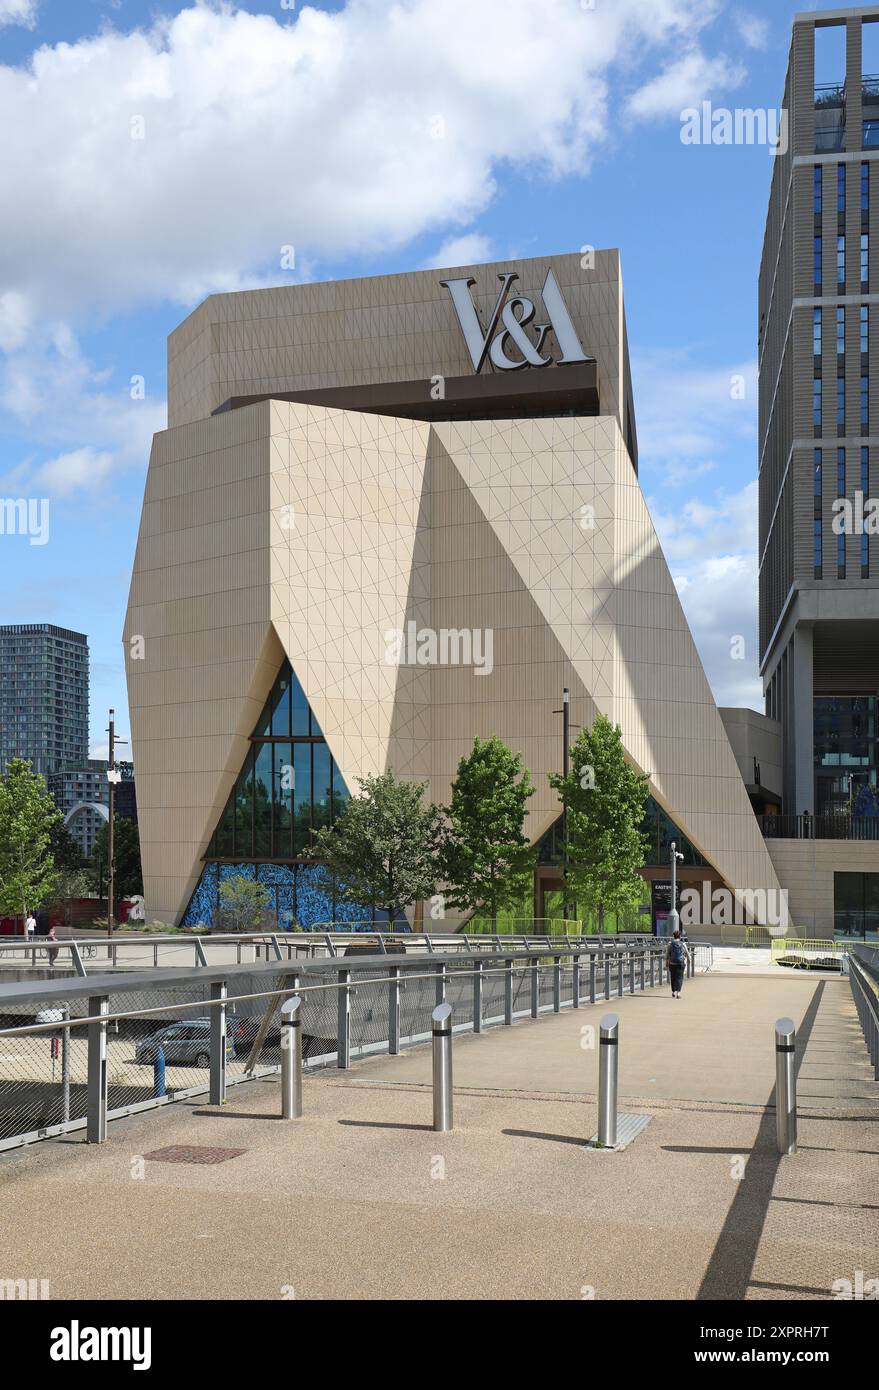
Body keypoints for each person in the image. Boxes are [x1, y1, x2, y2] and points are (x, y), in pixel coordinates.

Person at [666, 928, 688, 999]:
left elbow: (667, 954)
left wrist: (666, 962)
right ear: (680, 936)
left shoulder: (670, 944)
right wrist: (689, 960)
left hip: (672, 963)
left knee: (673, 977)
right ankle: (678, 993)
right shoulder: (683, 944)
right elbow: (687, 953)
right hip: (680, 963)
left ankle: (673, 992)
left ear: (673, 936)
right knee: (679, 978)